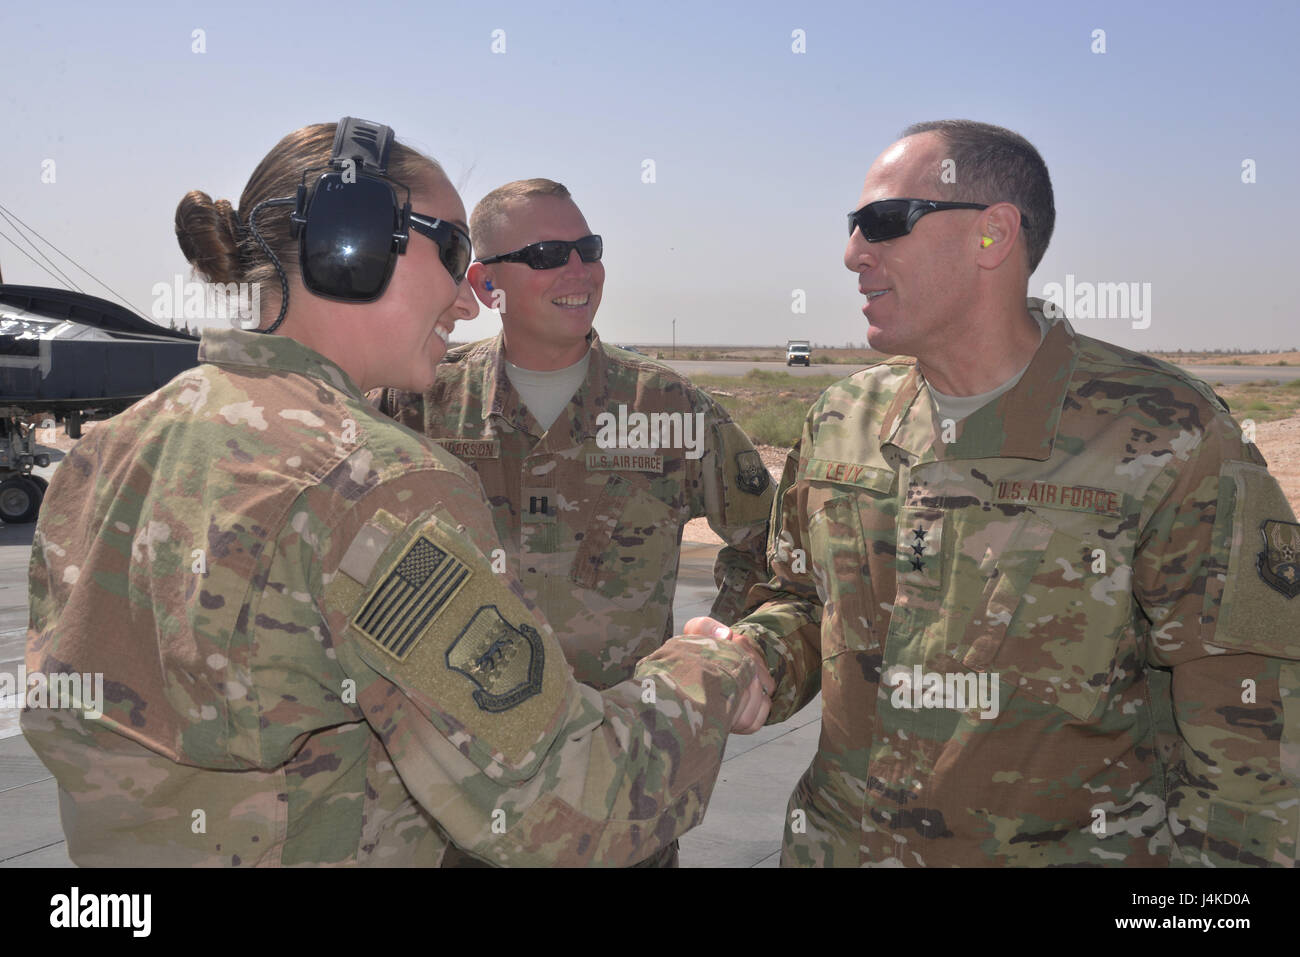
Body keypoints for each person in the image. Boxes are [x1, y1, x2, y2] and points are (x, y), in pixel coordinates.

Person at [21, 118, 772, 867]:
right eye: (449, 252)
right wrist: (710, 667)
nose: (465, 299)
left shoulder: (111, 450)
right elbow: (570, 803)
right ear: (348, 246)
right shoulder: (375, 480)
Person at [687, 119, 1300, 866]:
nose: (853, 254)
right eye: (853, 229)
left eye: (882, 223)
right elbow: (802, 601)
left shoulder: (1168, 433)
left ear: (993, 236)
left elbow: (1255, 732)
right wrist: (756, 659)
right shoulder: (842, 421)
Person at [371, 179, 775, 867]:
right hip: (453, 801)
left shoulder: (669, 408)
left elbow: (770, 540)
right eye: (549, 252)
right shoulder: (421, 406)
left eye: (588, 248)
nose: (579, 270)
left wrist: (728, 649)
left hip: (620, 790)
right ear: (483, 280)